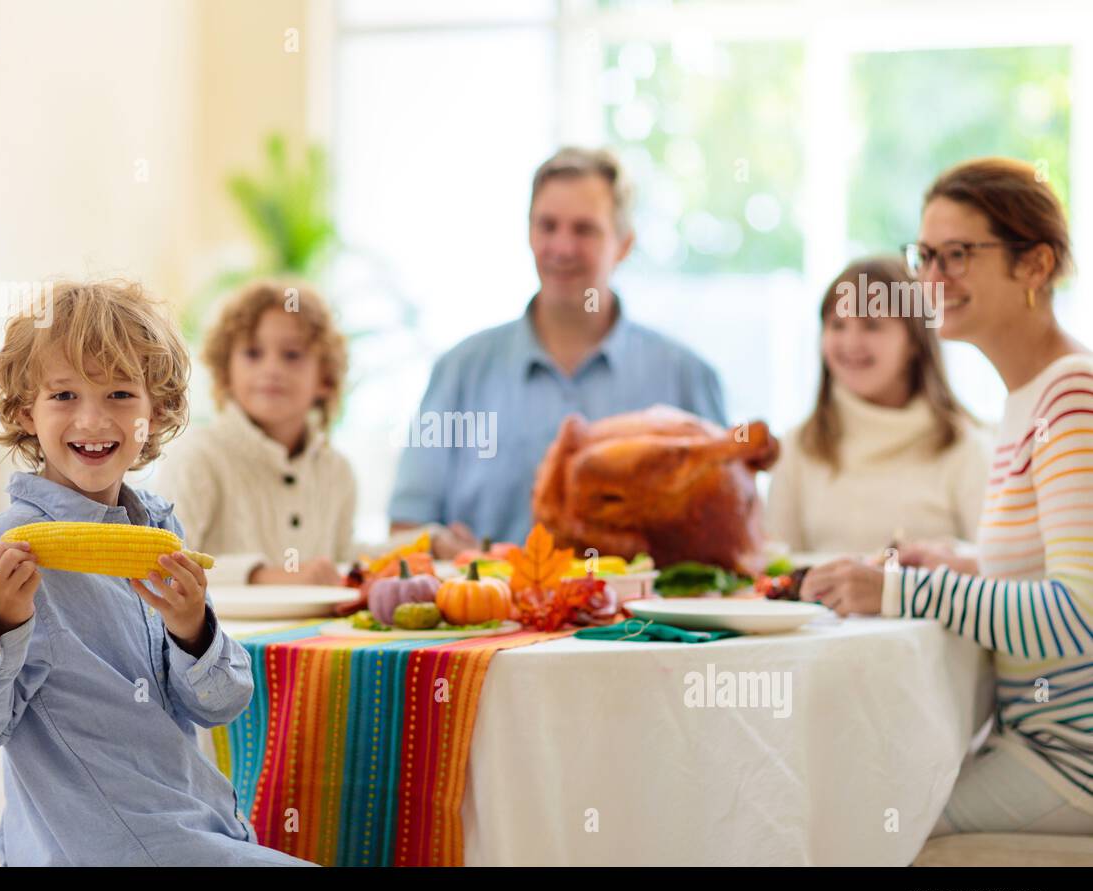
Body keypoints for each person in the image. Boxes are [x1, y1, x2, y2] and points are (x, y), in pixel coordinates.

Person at [0, 279, 309, 864]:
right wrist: (0, 622)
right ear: (24, 412)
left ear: (155, 415)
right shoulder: (10, 552)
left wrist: (193, 630)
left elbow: (220, 704)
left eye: (120, 394)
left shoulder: (157, 531)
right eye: (63, 396)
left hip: (194, 825)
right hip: (103, 847)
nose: (92, 418)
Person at [801, 159, 1093, 835]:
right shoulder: (1028, 398)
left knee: (858, 828)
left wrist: (896, 591)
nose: (931, 281)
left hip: (1071, 763)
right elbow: (1051, 576)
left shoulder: (1070, 394)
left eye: (958, 255)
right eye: (925, 255)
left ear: (1035, 266)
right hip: (1036, 744)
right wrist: (963, 562)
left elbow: (1078, 616)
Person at [388, 146, 726, 556]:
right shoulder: (458, 372)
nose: (562, 248)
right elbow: (406, 529)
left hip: (643, 619)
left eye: (584, 230)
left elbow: (726, 530)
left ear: (624, 244)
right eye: (547, 226)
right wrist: (444, 549)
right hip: (493, 613)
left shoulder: (686, 377)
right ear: (529, 233)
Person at [766, 256, 991, 553]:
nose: (851, 342)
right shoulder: (798, 448)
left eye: (872, 325)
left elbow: (998, 572)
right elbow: (775, 572)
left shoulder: (966, 448)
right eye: (837, 325)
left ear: (914, 340)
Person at [154, 279, 355, 585]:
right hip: (221, 632)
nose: (272, 368)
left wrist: (424, 542)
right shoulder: (198, 456)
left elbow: (343, 558)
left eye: (292, 355)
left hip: (316, 631)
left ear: (325, 378)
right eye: (252, 353)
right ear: (226, 373)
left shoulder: (337, 470)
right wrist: (263, 576)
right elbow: (163, 565)